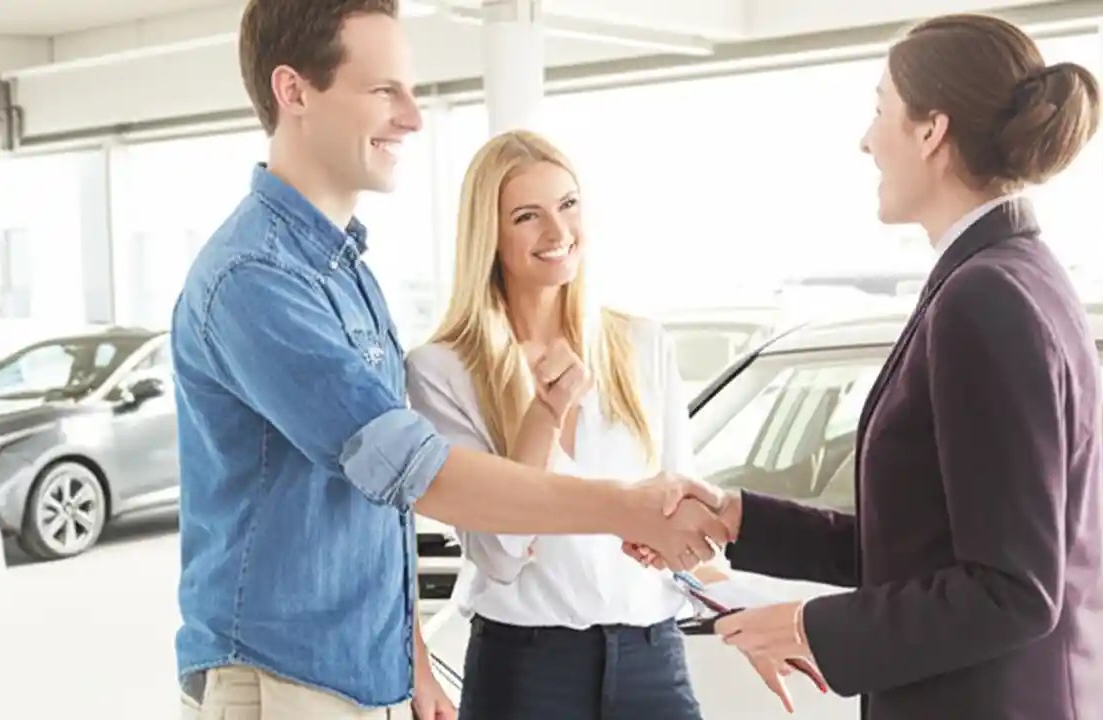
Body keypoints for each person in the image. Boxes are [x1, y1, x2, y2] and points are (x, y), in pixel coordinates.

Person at [172, 2, 729, 719]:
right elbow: (416, 472)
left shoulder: (344, 273)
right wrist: (625, 506)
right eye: (385, 92)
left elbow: (373, 512)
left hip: (347, 674)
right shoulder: (256, 278)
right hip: (284, 676)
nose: (413, 117)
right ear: (294, 91)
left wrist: (412, 664)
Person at [633, 12, 1103, 720]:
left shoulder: (985, 297)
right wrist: (742, 518)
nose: (866, 139)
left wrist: (805, 627)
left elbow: (1013, 590)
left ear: (931, 131)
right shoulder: (1010, 273)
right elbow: (925, 549)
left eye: (881, 109)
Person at [405, 129, 720, 719]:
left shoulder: (641, 345)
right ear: (489, 236)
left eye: (568, 205)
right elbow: (499, 554)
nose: (557, 233)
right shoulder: (441, 370)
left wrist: (742, 606)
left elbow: (683, 523)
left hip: (652, 658)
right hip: (526, 671)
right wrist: (544, 415)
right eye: (528, 216)